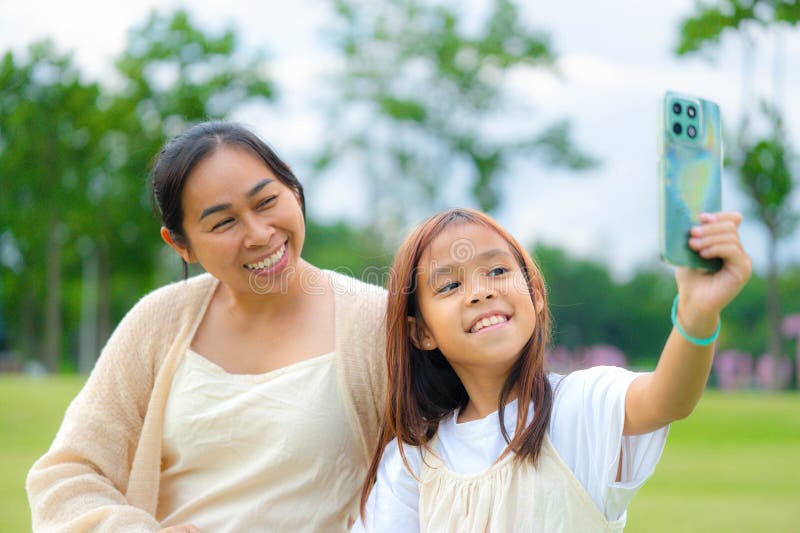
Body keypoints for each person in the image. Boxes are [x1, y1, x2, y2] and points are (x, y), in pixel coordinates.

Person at [26, 122, 387, 532]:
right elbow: (68, 473)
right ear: (181, 245)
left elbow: (435, 476)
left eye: (266, 201)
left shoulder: (379, 323)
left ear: (294, 187)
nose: (258, 234)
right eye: (223, 223)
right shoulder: (158, 322)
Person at [354, 207, 751, 532]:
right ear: (422, 332)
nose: (482, 291)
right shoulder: (414, 461)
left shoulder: (576, 406)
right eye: (449, 286)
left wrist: (697, 313)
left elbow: (668, 398)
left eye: (497, 271)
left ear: (536, 295)